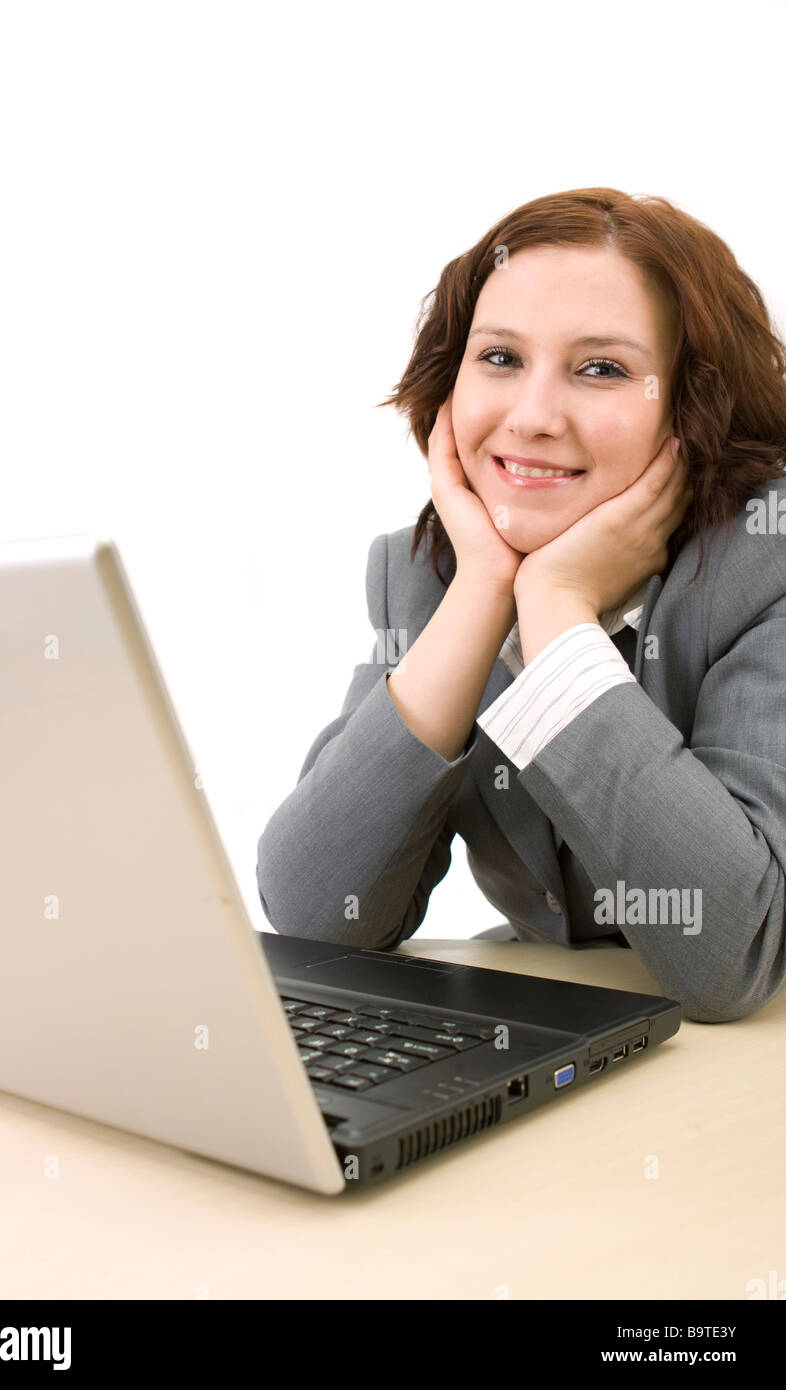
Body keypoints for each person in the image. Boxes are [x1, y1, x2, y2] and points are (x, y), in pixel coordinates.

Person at [256, 187, 786, 1024]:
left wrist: (558, 607)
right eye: (500, 358)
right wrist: (482, 595)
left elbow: (732, 960)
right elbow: (319, 916)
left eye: (601, 369)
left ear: (694, 403)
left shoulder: (767, 564)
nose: (533, 417)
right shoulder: (427, 571)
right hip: (571, 1043)